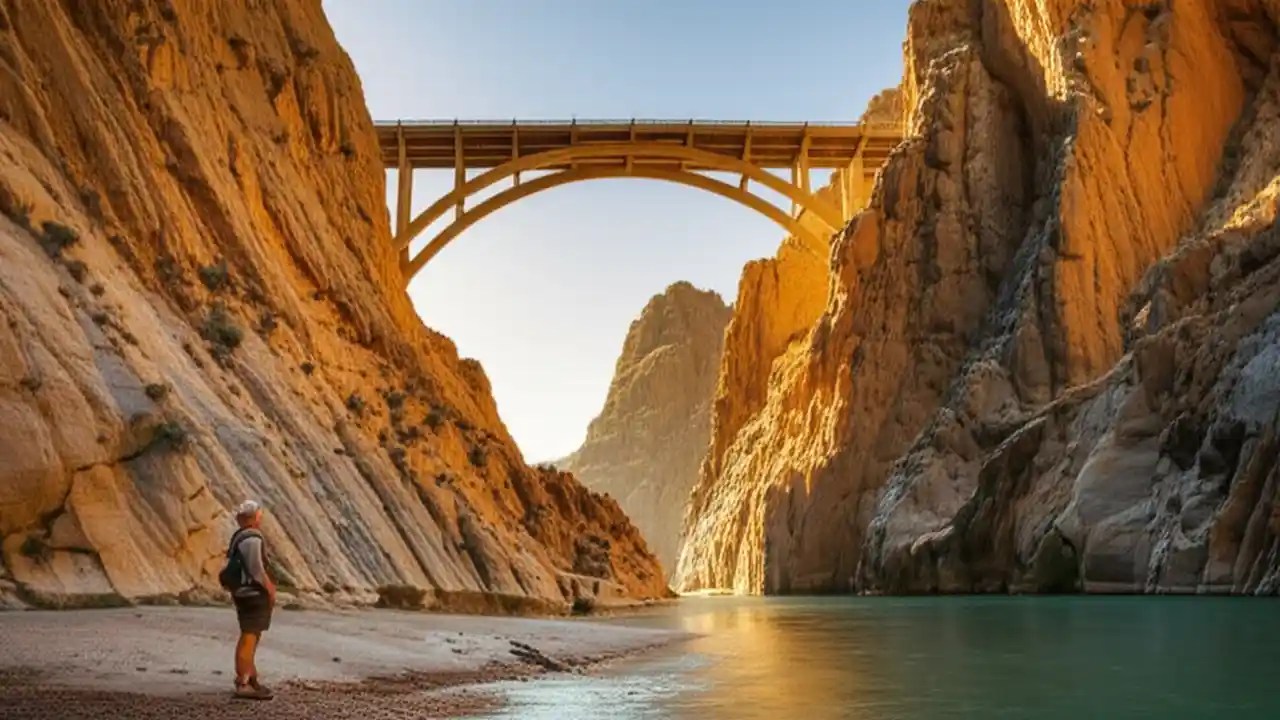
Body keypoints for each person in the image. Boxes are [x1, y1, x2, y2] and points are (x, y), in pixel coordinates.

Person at [227, 500, 276, 700]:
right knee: (249, 636)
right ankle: (244, 682)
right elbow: (256, 570)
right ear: (256, 516)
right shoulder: (252, 538)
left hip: (243, 592)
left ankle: (251, 676)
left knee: (251, 634)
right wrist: (270, 589)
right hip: (253, 594)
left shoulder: (238, 537)